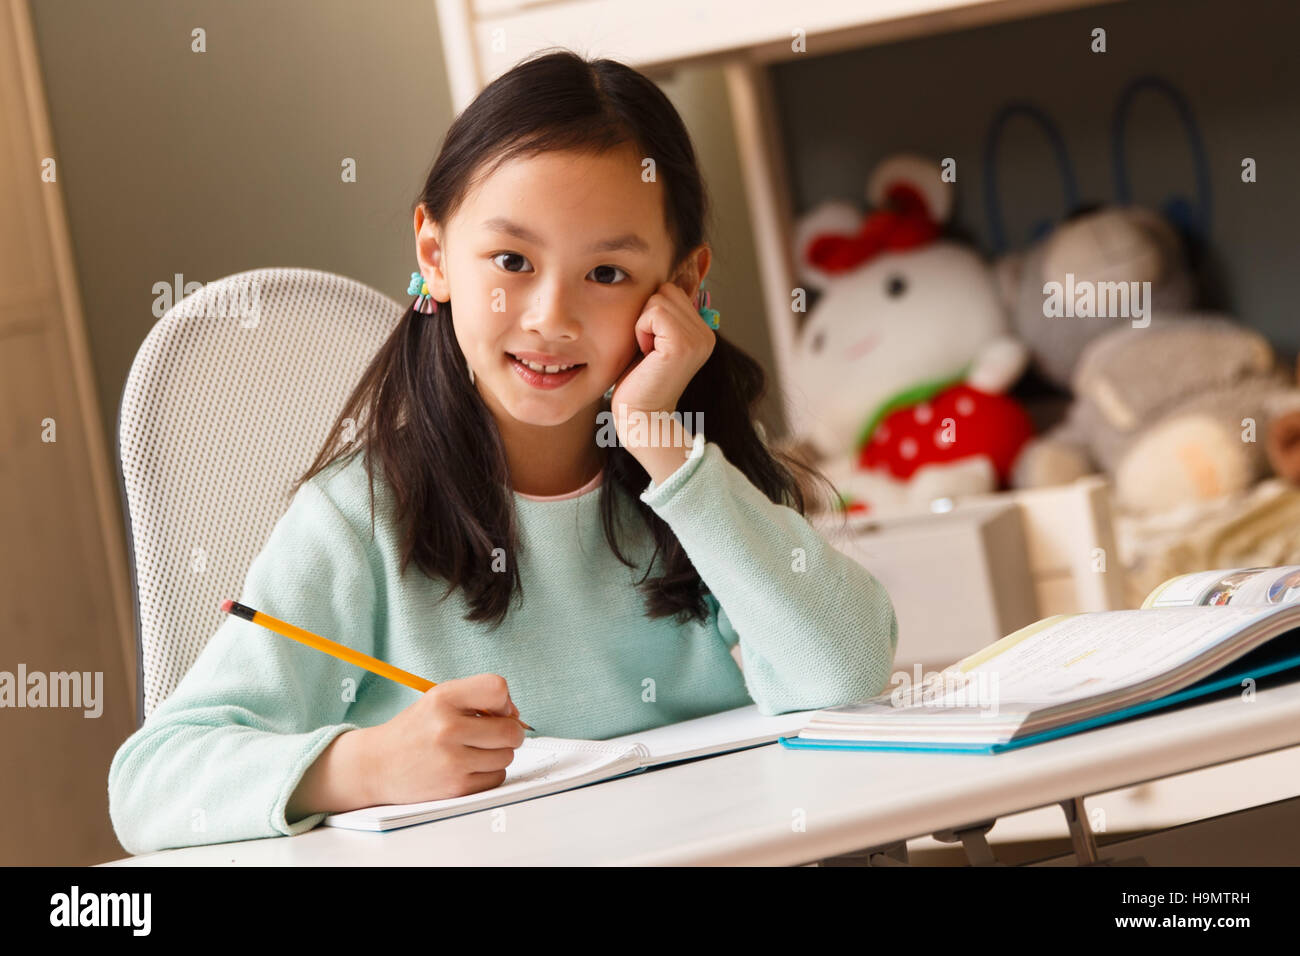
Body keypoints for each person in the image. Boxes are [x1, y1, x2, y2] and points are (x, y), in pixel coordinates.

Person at [108, 49, 898, 855]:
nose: (550, 317)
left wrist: (665, 448)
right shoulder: (356, 518)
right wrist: (368, 765)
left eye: (606, 271)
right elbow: (153, 782)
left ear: (684, 288)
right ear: (435, 253)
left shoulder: (696, 480)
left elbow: (845, 669)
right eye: (512, 262)